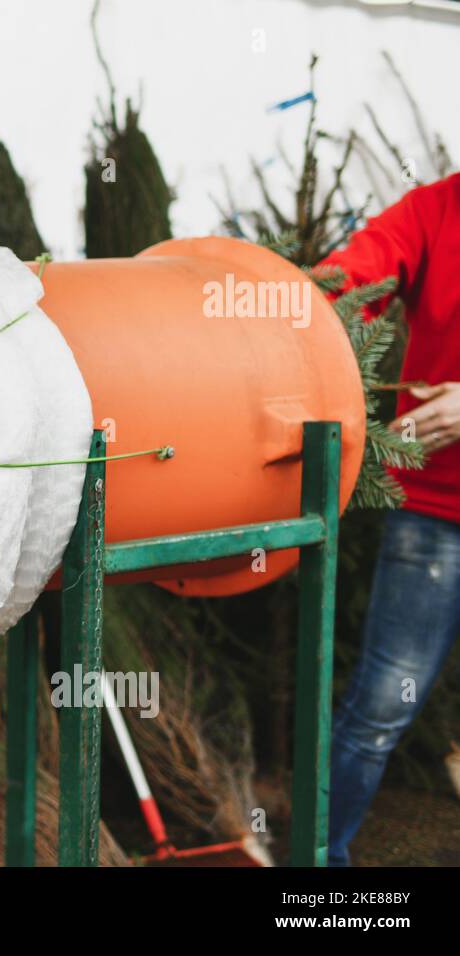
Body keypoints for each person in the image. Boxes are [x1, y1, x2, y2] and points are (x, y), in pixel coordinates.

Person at [317, 172, 460, 866]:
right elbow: (351, 282)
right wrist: (307, 313)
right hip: (431, 514)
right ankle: (318, 875)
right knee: (377, 712)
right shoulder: (434, 209)